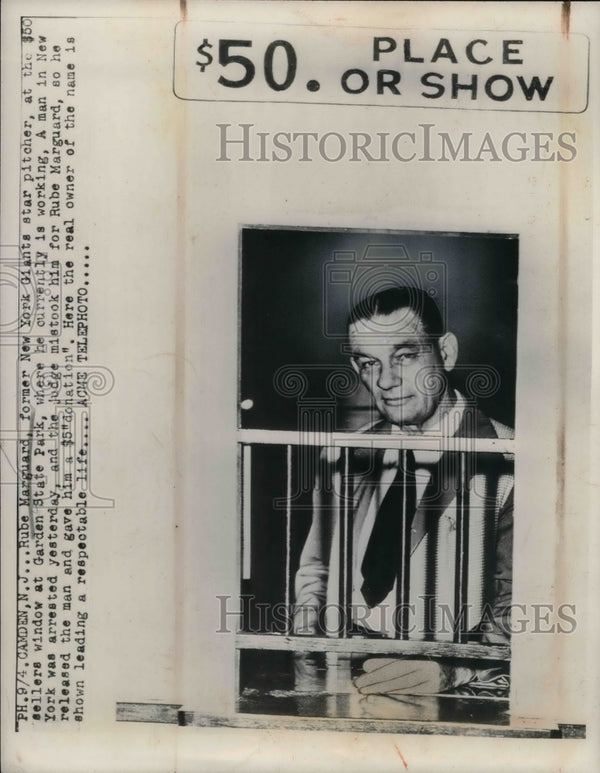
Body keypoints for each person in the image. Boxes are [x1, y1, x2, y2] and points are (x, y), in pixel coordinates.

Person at [293, 286, 514, 697]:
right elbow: (316, 570)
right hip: (344, 685)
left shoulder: (510, 459)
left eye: (405, 356)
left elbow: (519, 604)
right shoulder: (345, 455)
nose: (386, 380)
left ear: (445, 353)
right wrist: (310, 665)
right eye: (368, 362)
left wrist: (456, 669)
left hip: (447, 697)